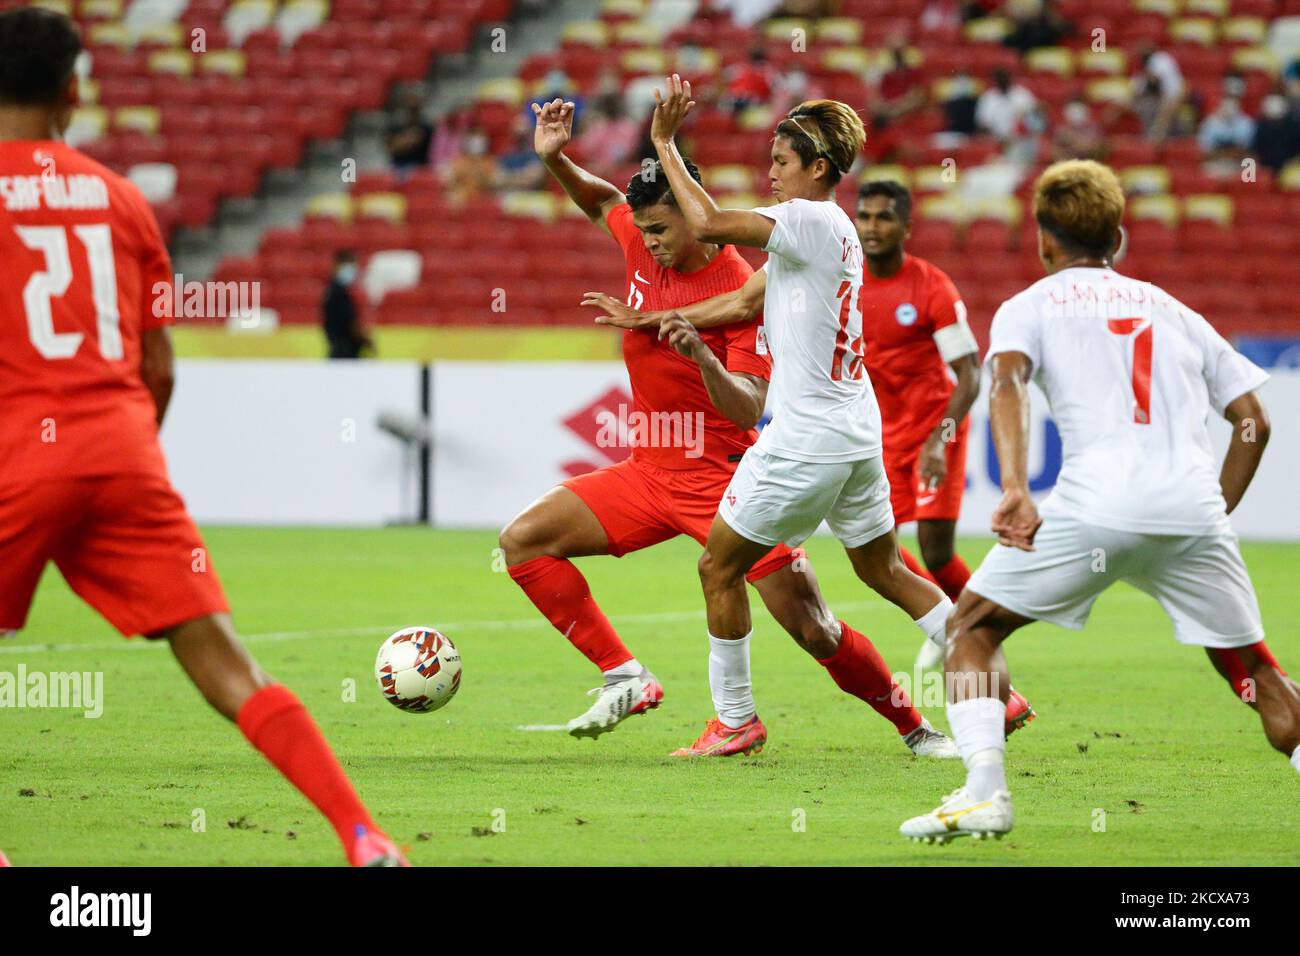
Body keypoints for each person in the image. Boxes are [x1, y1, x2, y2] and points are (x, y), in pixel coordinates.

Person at [0, 8, 406, 867]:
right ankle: (363, 835)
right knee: (226, 663)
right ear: (73, 88)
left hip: (18, 456)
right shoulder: (119, 198)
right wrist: (124, 452)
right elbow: (161, 367)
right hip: (122, 447)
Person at [502, 98, 958, 759]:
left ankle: (915, 728)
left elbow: (748, 405)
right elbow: (602, 201)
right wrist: (554, 159)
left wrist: (700, 353)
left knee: (814, 628)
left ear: (700, 225)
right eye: (645, 231)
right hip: (647, 469)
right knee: (524, 542)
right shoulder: (641, 239)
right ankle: (626, 675)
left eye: (662, 230)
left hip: (721, 477)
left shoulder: (746, 284)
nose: (649, 241)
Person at [588, 78, 1032, 753]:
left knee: (718, 567)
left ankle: (735, 720)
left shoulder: (807, 218)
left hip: (805, 437)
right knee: (884, 569)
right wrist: (653, 319)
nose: (770, 172)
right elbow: (740, 306)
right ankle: (996, 692)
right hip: (854, 429)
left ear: (818, 168)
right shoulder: (832, 235)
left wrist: (661, 142)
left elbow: (705, 224)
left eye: (782, 161)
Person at [900, 159, 1300, 843]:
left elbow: (1006, 385)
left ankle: (985, 794)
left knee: (972, 629)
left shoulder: (1030, 306)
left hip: (1094, 510)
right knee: (1256, 667)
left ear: (1044, 242)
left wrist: (1019, 489)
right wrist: (1213, 512)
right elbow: (1253, 421)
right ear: (1117, 239)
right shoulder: (1176, 311)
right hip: (1190, 513)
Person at [321, 250, 371, 359]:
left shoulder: (332, 290)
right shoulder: (338, 292)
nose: (353, 270)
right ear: (337, 265)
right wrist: (365, 339)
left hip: (338, 347)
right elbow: (350, 323)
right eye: (350, 265)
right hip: (344, 350)